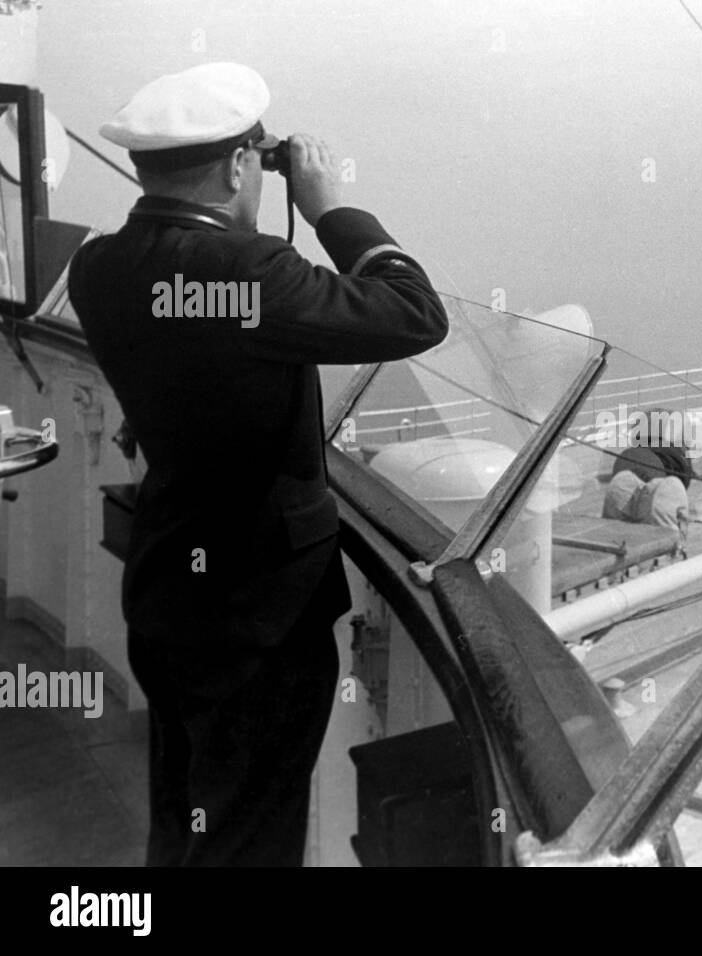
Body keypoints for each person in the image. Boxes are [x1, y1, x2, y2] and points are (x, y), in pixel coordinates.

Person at [67, 62, 448, 866]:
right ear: (243, 164)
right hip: (259, 619)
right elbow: (416, 313)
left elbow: (191, 359)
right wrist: (329, 204)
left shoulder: (99, 266)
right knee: (252, 834)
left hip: (169, 589)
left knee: (187, 811)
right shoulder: (250, 274)